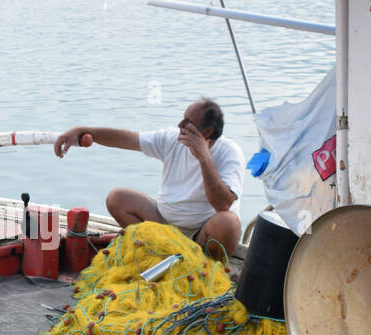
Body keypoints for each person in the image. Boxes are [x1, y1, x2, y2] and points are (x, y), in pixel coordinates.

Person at [53, 99, 245, 259]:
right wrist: (82, 131)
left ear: (208, 132)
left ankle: (200, 263)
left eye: (188, 122)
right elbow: (126, 139)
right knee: (118, 198)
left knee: (228, 223)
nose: (180, 125)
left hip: (202, 233)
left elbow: (223, 205)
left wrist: (204, 157)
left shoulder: (229, 152)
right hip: (163, 226)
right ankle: (165, 252)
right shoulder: (172, 138)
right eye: (182, 118)